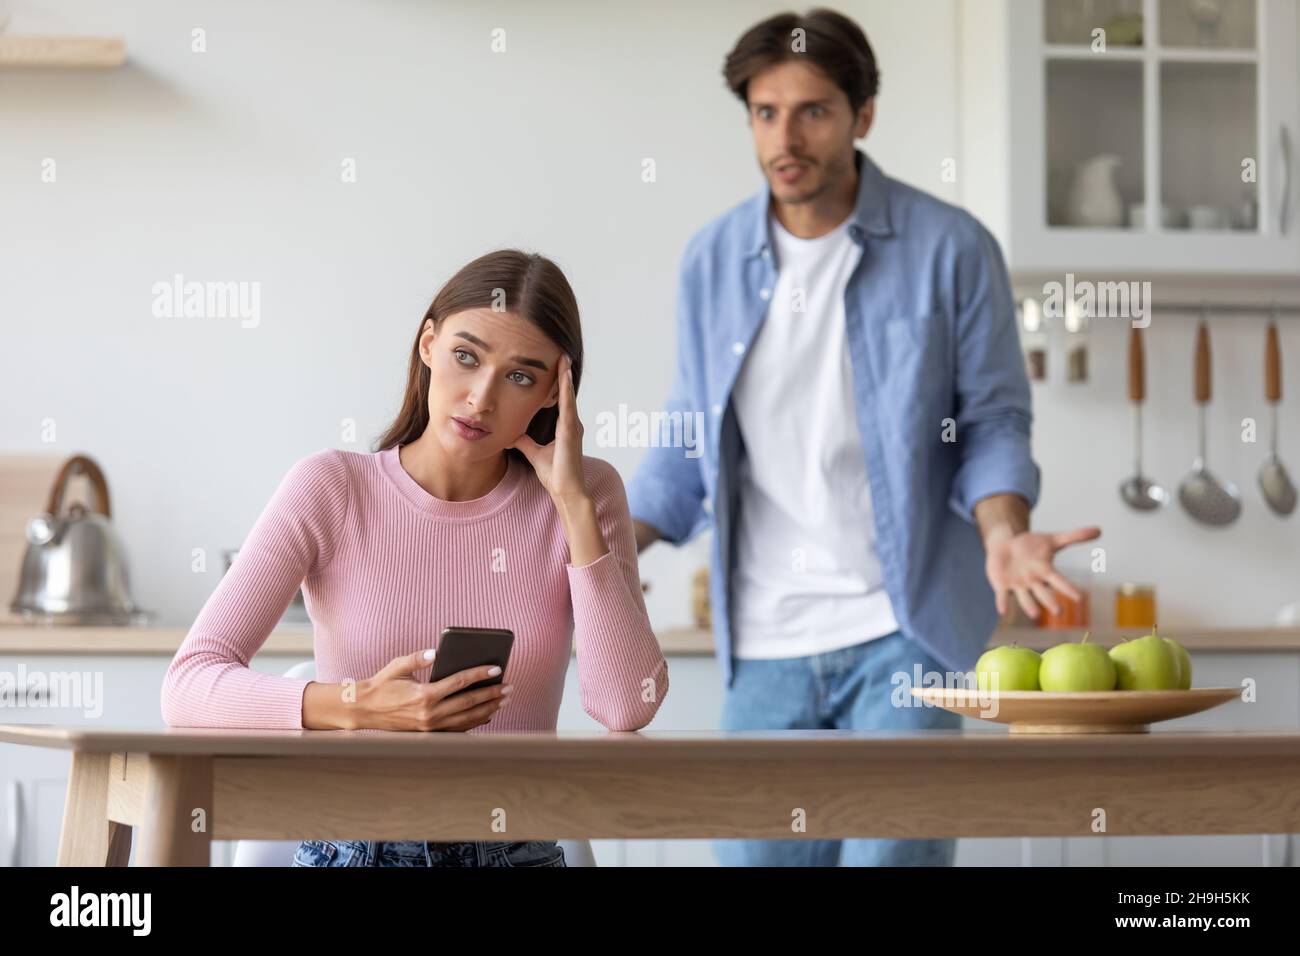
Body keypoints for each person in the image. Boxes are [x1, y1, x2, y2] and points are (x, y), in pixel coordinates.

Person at [626, 8, 1100, 867]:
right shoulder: (711, 259)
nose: (786, 137)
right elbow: (687, 440)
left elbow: (991, 421)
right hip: (763, 647)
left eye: (813, 111)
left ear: (863, 115)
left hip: (903, 637)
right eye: (765, 113)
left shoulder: (950, 249)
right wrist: (597, 548)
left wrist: (1003, 532)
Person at [161, 249, 668, 868]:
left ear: (552, 395)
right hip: (356, 848)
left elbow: (626, 703)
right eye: (466, 356)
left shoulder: (585, 495)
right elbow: (188, 687)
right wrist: (359, 705)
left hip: (515, 851)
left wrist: (572, 505)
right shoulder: (331, 487)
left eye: (519, 376)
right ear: (428, 344)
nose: (480, 398)